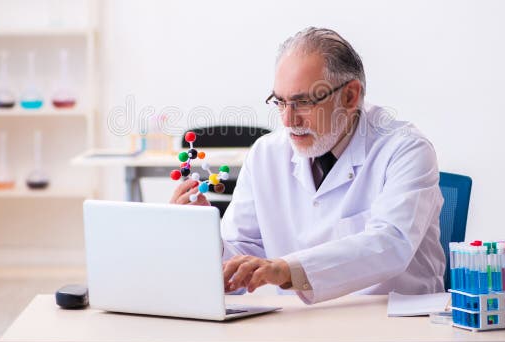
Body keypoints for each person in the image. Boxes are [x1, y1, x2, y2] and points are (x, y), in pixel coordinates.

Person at [171, 27, 445, 304]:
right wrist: (203, 235)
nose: (289, 120)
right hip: (300, 328)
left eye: (303, 103)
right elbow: (241, 255)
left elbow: (390, 244)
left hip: (394, 327)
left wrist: (286, 270)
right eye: (280, 102)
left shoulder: (405, 149)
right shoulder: (266, 154)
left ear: (350, 96)